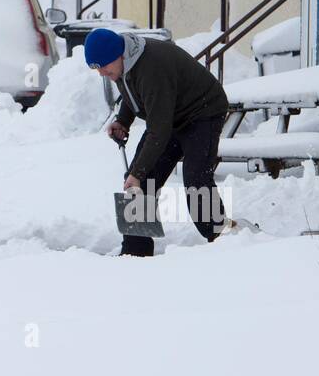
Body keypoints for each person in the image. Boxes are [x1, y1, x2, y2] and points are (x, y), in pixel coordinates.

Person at [85, 27, 229, 257]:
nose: (101, 72)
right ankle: (135, 252)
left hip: (203, 112)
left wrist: (138, 172)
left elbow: (158, 131)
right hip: (171, 115)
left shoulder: (151, 67)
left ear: (118, 54)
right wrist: (123, 120)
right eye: (96, 68)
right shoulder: (123, 63)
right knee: (137, 185)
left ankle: (224, 239)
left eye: (103, 66)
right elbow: (135, 94)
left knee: (196, 179)